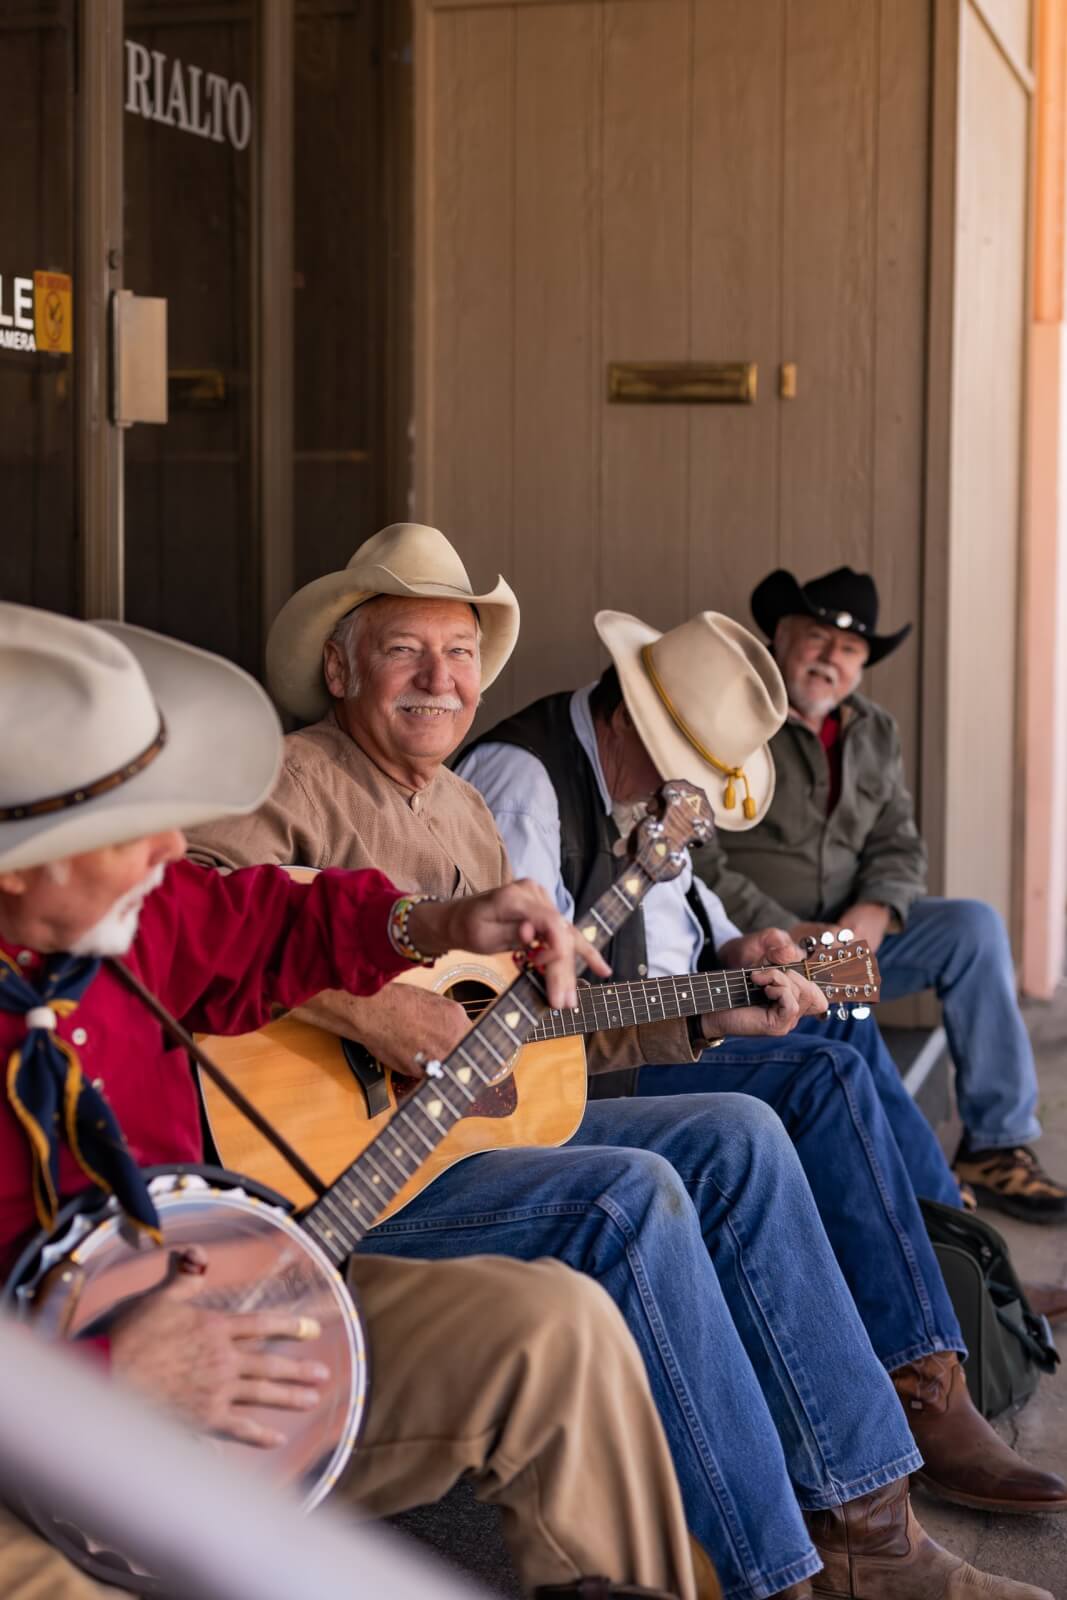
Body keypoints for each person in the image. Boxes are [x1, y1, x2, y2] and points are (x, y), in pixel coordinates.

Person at [191, 522, 1051, 1600]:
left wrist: (707, 1020)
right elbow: (179, 924)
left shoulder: (462, 811)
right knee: (628, 1194)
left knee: (741, 1130)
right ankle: (773, 1574)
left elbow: (539, 1029)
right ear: (338, 664)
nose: (439, 679)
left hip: (467, 1136)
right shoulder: (288, 778)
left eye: (459, 654)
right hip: (336, 1174)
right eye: (405, 649)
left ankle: (868, 1530)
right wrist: (368, 1009)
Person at [0, 600, 712, 1600]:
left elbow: (270, 920)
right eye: (128, 829)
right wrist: (95, 1375)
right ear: (20, 857)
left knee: (556, 1326)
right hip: (32, 1450)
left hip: (239, 1321)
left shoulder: (140, 915)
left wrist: (443, 920)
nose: (171, 849)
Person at [458, 604, 1067, 1518]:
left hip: (687, 999)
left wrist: (744, 953)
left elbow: (689, 903)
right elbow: (539, 1010)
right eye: (684, 766)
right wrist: (708, 1007)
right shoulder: (525, 782)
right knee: (822, 1077)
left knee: (843, 1015)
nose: (693, 800)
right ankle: (924, 1385)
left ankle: (950, 1275)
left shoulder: (649, 776)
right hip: (589, 1066)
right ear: (627, 711)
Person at [688, 565, 1067, 1227]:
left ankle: (996, 1142)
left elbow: (898, 842)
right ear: (778, 636)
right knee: (839, 1035)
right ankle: (915, 1185)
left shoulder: (872, 731)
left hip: (848, 943)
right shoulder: (731, 720)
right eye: (815, 638)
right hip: (756, 948)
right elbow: (697, 861)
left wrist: (877, 912)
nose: (830, 659)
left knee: (971, 928)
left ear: (862, 664)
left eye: (849, 650)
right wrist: (785, 929)